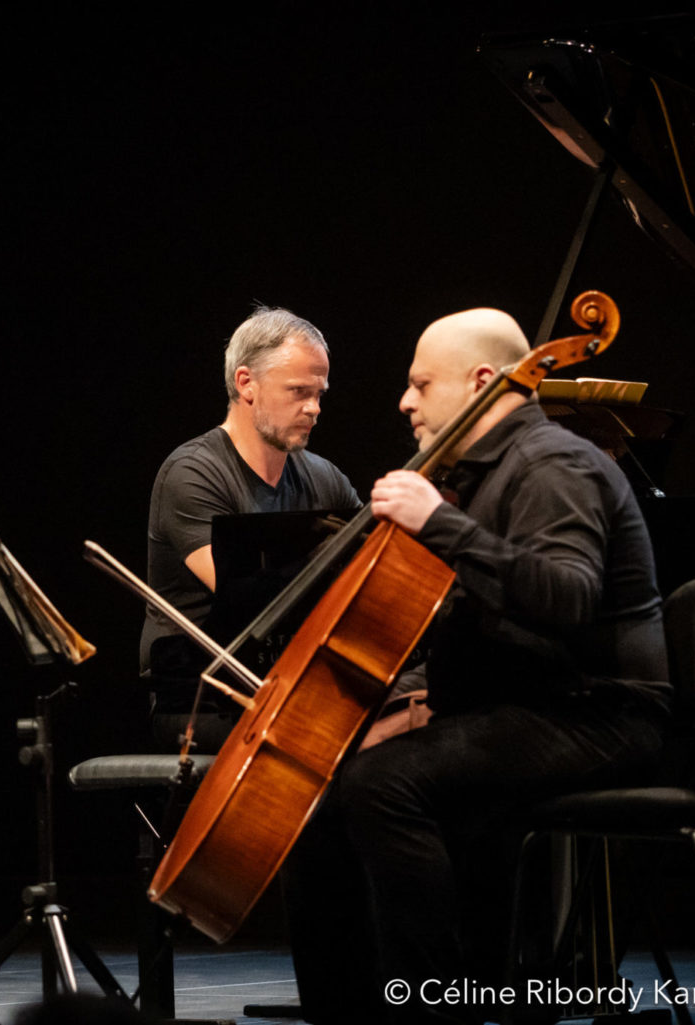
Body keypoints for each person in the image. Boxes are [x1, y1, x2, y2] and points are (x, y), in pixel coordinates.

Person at [286, 308, 670, 1024]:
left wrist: (440, 522)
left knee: (385, 782)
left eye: (421, 383)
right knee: (335, 784)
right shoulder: (489, 474)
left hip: (597, 712)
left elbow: (569, 598)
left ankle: (436, 1006)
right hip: (533, 702)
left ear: (483, 383)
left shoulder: (553, 464)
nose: (405, 401)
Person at [140, 307, 359, 743]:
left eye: (320, 393)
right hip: (201, 695)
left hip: (288, 682)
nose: (313, 408)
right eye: (298, 391)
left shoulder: (323, 476)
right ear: (246, 384)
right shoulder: (192, 473)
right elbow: (248, 599)